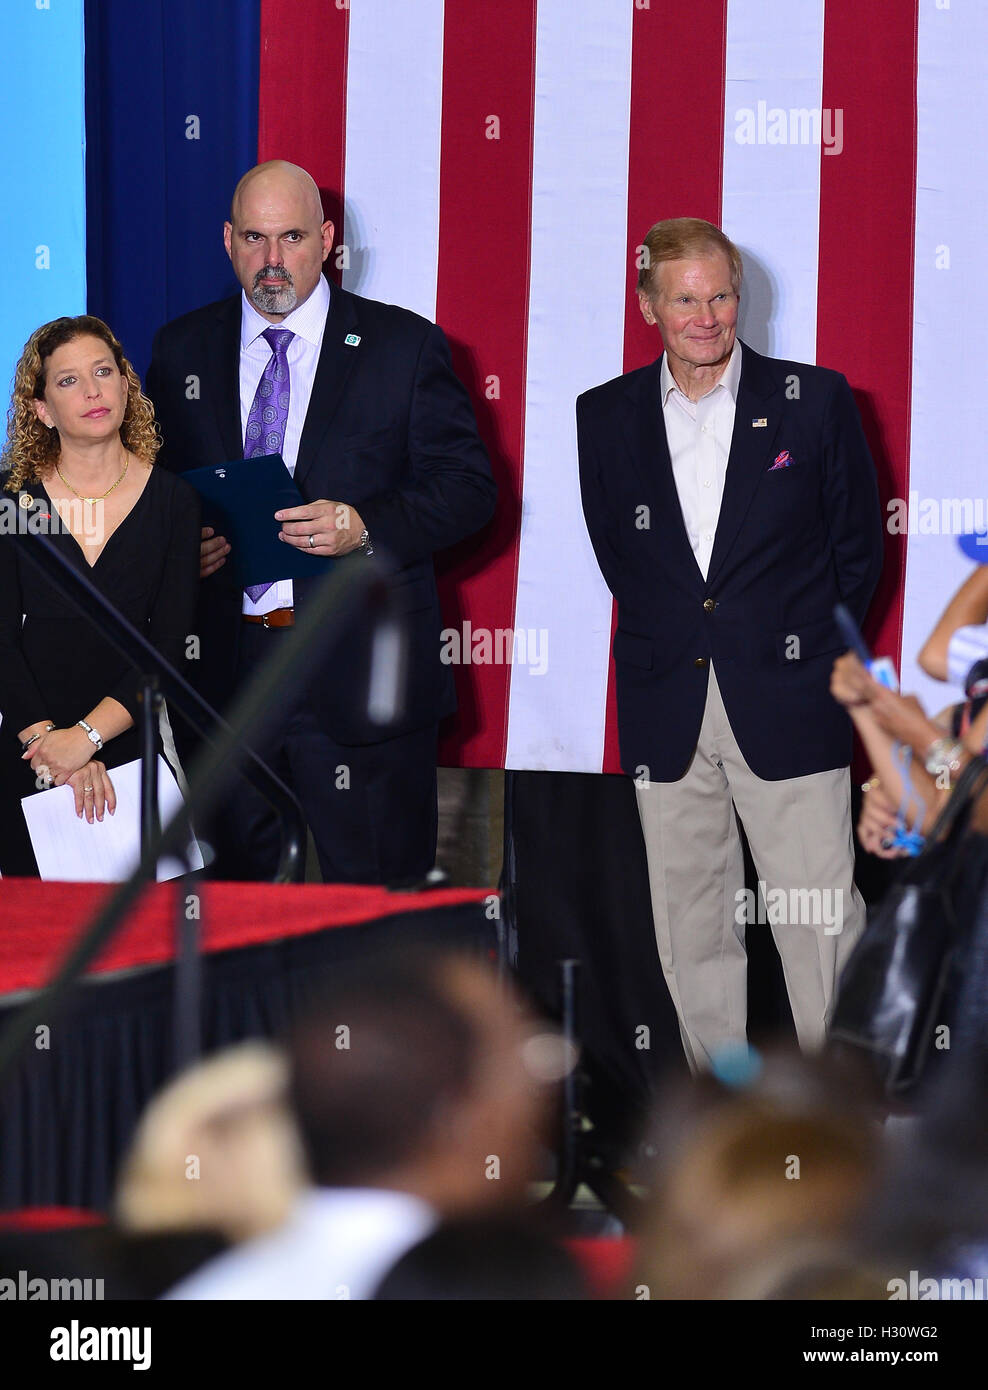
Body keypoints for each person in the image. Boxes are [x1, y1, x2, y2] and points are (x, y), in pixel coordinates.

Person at [577, 218, 883, 1072]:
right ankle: (728, 1117)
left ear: (739, 298)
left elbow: (857, 551)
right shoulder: (602, 416)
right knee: (691, 923)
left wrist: (804, 653)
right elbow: (623, 557)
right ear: (649, 307)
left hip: (789, 701)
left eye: (721, 296)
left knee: (821, 919)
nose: (706, 316)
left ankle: (842, 1122)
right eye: (685, 299)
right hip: (664, 701)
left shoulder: (814, 401)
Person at [146, 160, 496, 885]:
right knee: (232, 917)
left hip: (360, 677)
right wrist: (187, 546)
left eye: (293, 237)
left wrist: (364, 525)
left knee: (376, 918)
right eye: (255, 238)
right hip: (224, 679)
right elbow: (155, 494)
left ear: (328, 239)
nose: (273, 261)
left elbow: (468, 489)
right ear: (228, 241)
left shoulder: (406, 349)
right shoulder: (179, 350)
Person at [165, 950, 559, 1300]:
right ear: (467, 1120)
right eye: (530, 1061)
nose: (546, 1095)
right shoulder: (511, 1283)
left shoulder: (212, 1286)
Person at [0, 316, 200, 877]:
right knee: (36, 948)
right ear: (41, 410)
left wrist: (88, 738)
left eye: (103, 372)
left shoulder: (175, 502)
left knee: (146, 945)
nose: (92, 391)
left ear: (124, 384)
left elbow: (169, 648)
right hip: (29, 747)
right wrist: (53, 747)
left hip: (134, 746)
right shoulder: (12, 501)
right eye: (67, 381)